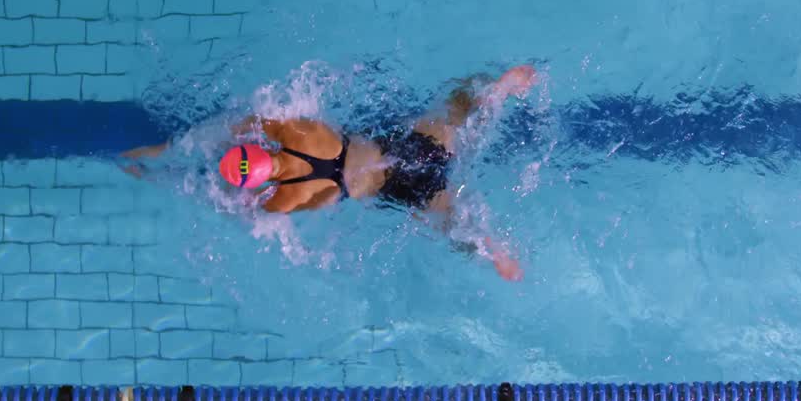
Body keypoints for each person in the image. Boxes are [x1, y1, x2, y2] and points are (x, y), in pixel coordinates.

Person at [120, 65, 538, 281]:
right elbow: (227, 130)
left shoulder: (287, 197)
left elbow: (249, 209)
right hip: (402, 147)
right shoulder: (295, 133)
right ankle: (499, 89)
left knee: (452, 222)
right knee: (455, 112)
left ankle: (493, 252)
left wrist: (161, 166)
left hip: (396, 189)